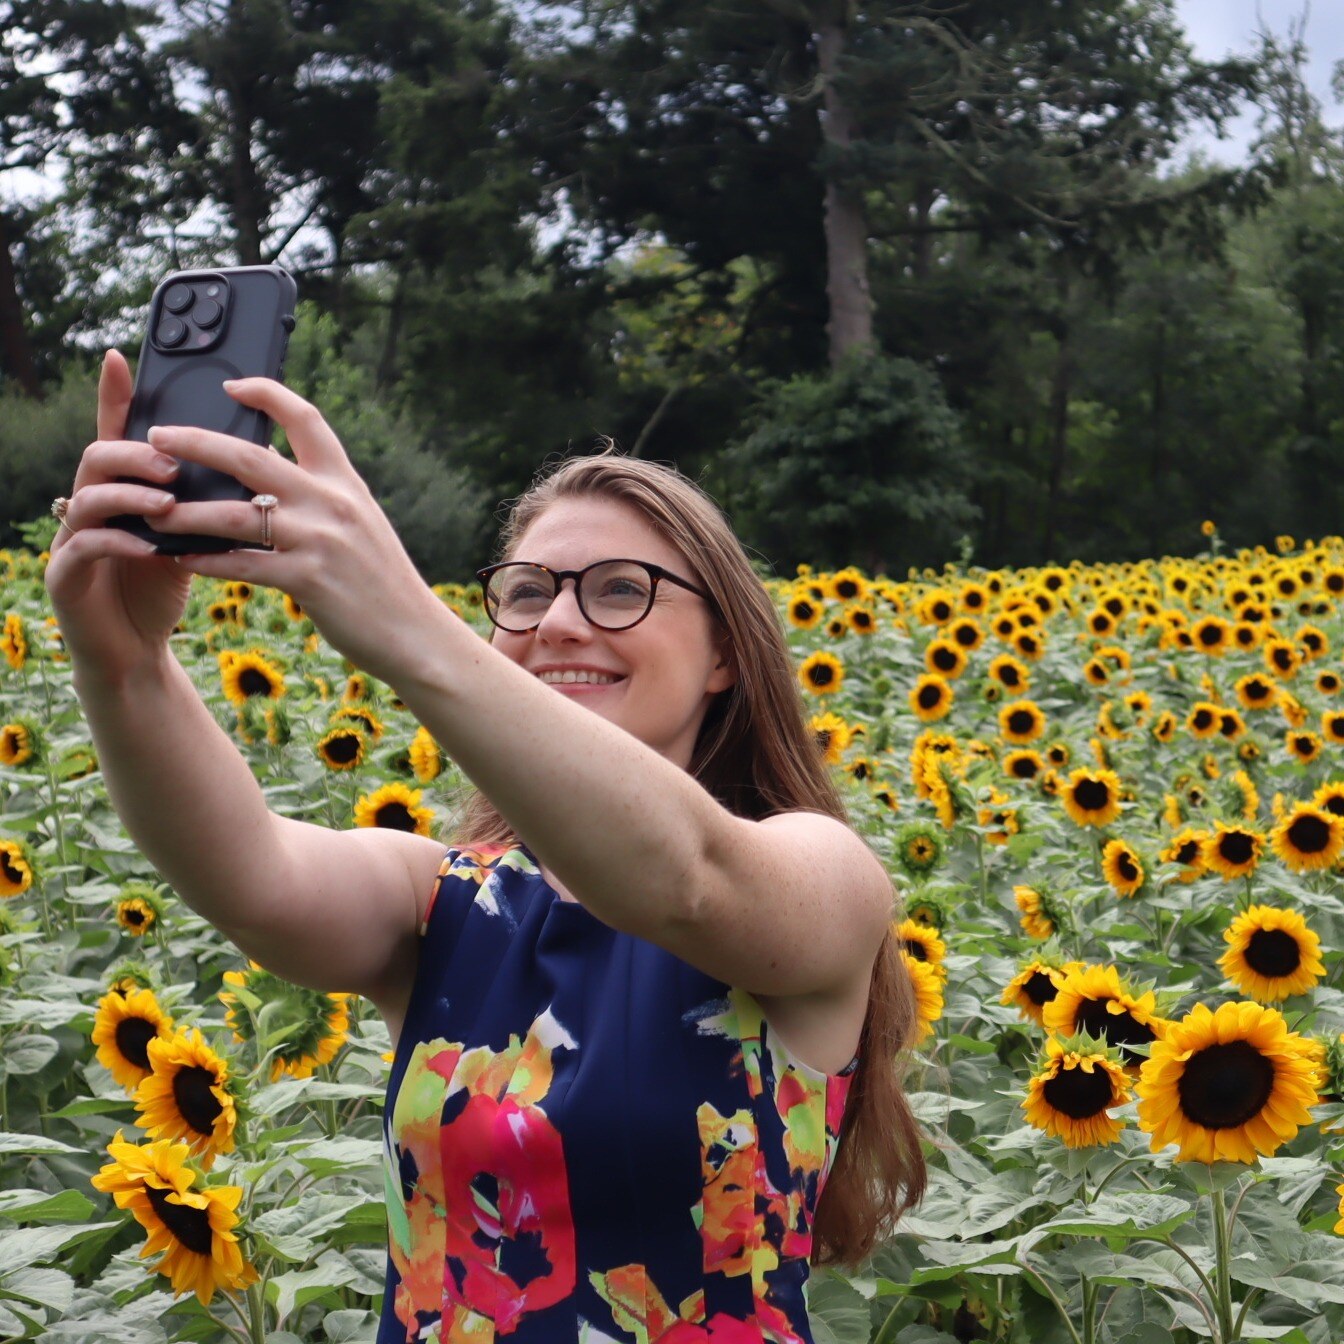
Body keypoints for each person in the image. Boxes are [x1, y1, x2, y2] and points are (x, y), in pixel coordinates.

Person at [46, 350, 927, 1343]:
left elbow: (684, 879)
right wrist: (122, 664)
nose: (557, 622)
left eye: (621, 589)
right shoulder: (449, 904)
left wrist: (402, 623)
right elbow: (252, 875)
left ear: (726, 652)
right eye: (526, 590)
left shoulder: (820, 873)